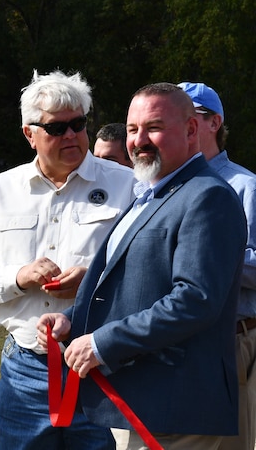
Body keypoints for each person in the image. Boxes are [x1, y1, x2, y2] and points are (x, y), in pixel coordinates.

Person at [37, 82, 246, 450]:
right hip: (143, 400)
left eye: (154, 127)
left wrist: (102, 343)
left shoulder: (207, 196)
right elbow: (133, 284)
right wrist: (74, 319)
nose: (139, 140)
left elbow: (194, 300)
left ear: (191, 130)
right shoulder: (150, 194)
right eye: (133, 130)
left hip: (178, 406)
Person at [0, 70, 136, 449]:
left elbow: (151, 268)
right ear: (29, 134)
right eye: (56, 128)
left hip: (102, 366)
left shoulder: (127, 186)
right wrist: (18, 276)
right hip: (26, 369)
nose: (70, 135)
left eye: (78, 124)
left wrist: (96, 280)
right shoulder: (0, 191)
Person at [178, 81, 256, 450]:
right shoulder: (157, 187)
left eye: (190, 116)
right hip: (175, 346)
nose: (181, 126)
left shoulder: (245, 187)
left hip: (233, 341)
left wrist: (206, 255)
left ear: (214, 123)